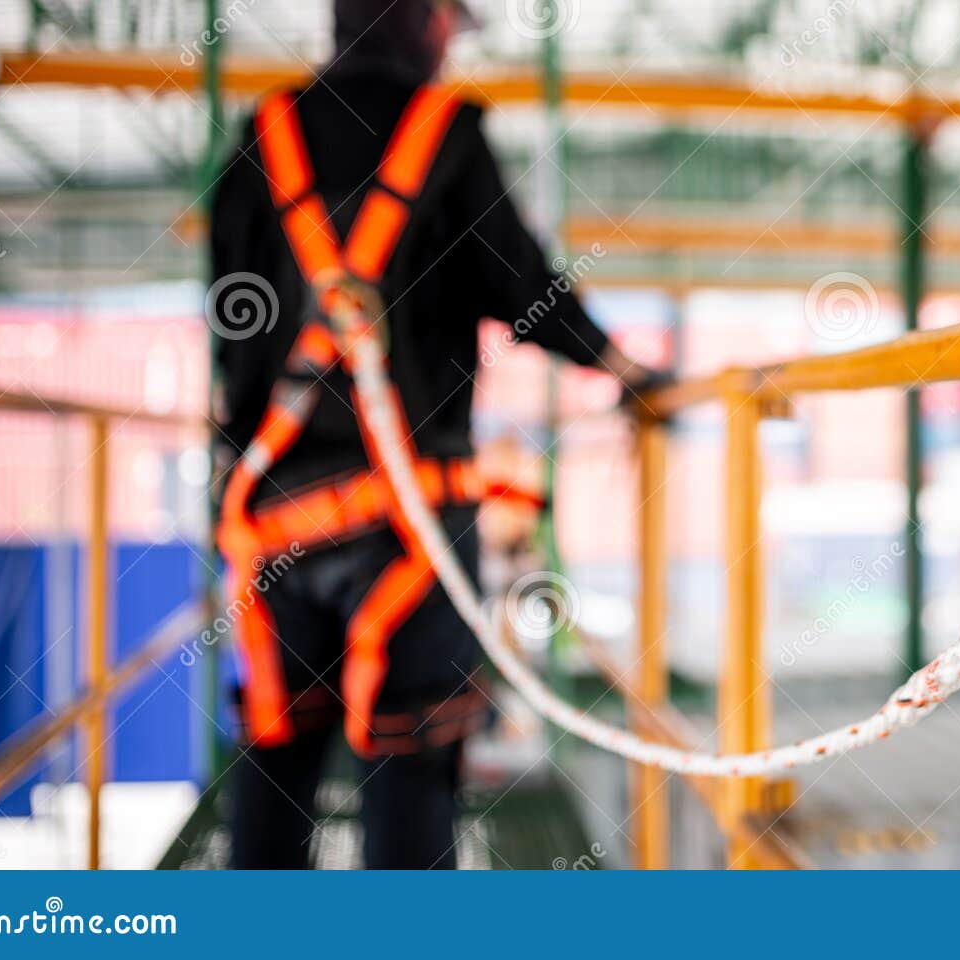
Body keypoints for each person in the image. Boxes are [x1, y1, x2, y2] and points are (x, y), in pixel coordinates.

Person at [208, 0, 662, 869]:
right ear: (418, 22)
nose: (455, 40)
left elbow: (232, 314)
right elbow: (518, 280)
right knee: (410, 767)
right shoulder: (443, 133)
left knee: (275, 761)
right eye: (451, 21)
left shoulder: (264, 133)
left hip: (273, 519)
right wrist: (621, 366)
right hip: (406, 526)